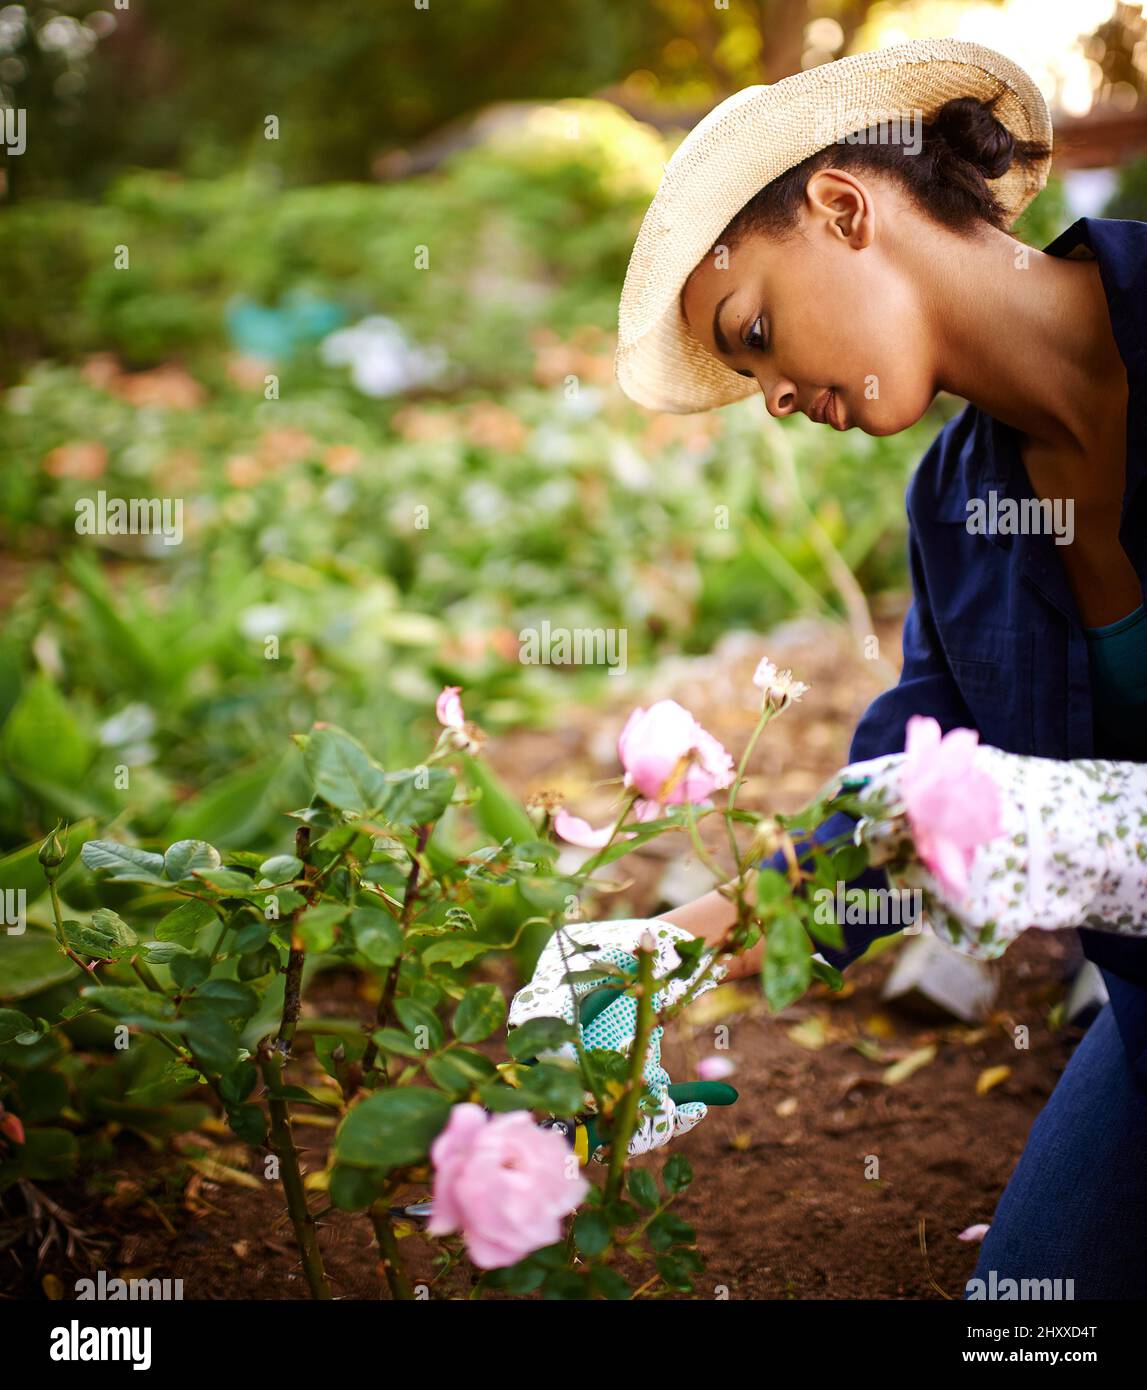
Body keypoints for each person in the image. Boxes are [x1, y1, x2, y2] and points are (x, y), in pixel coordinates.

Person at [511, 39, 1147, 1298]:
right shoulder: (960, 513)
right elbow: (894, 823)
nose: (774, 396)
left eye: (752, 330)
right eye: (744, 373)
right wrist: (654, 954)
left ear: (844, 206)